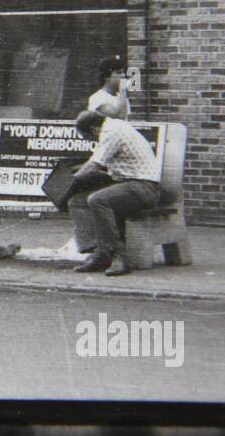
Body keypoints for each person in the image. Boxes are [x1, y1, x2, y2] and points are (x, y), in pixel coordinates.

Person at [52, 109, 161, 276]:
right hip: (129, 183)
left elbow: (93, 166)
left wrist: (65, 184)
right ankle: (99, 253)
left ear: (95, 129)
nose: (94, 140)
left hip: (144, 187)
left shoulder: (112, 132)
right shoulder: (115, 126)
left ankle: (119, 256)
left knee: (98, 200)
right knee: (78, 201)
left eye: (91, 138)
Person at [88, 55, 131, 119]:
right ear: (106, 76)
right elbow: (119, 118)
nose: (123, 76)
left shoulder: (122, 97)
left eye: (123, 72)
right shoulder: (97, 98)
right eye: (118, 73)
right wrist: (123, 90)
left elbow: (125, 123)